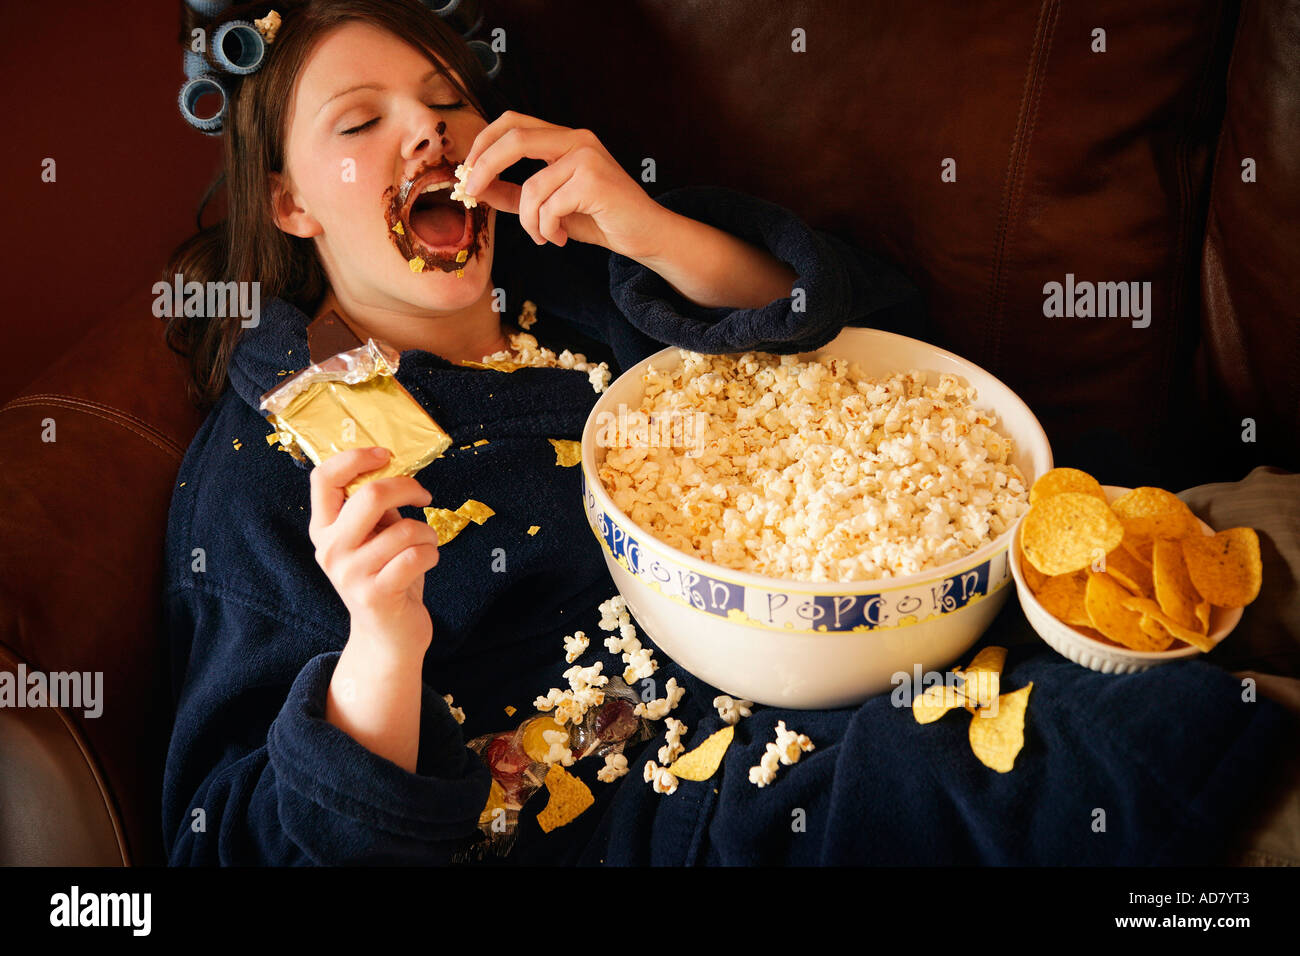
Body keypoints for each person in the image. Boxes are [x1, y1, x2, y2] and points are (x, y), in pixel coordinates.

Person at [162, 0, 1294, 866]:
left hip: (922, 595)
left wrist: (645, 226)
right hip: (688, 785)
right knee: (1149, 753)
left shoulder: (571, 293)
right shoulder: (276, 464)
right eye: (360, 121)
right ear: (287, 203)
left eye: (444, 100)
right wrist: (381, 645)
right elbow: (232, 833)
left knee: (1252, 534)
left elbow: (854, 343)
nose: (427, 131)